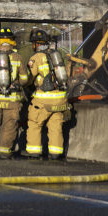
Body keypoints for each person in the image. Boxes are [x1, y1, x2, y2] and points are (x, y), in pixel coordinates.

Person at [26, 29, 72, 161]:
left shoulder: (36, 58)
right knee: (55, 126)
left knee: (35, 123)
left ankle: (34, 153)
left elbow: (29, 78)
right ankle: (56, 153)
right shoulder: (56, 54)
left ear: (35, 44)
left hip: (43, 100)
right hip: (60, 100)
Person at [0, 27, 29, 160]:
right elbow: (25, 79)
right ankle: (5, 152)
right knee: (9, 126)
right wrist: (17, 83)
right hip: (12, 100)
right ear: (11, 42)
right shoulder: (17, 57)